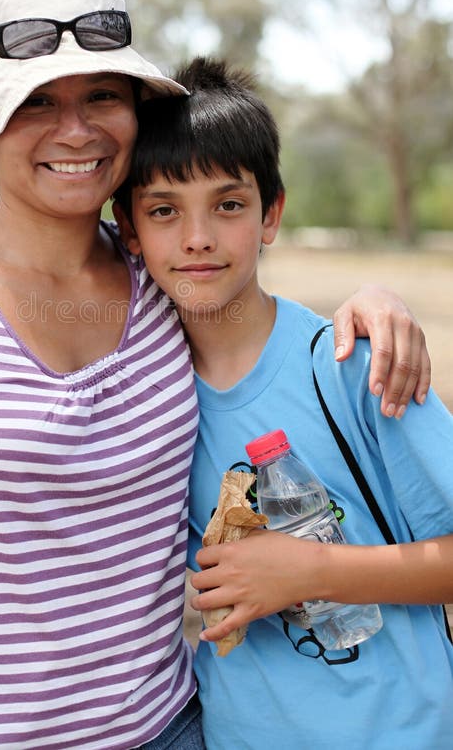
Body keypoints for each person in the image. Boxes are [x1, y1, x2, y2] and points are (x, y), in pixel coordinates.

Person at [0, 0, 432, 750]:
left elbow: (256, 313)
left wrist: (376, 302)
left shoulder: (161, 279)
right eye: (36, 101)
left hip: (170, 729)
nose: (74, 131)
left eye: (102, 96)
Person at [112, 56, 453, 750]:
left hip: (399, 730)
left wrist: (314, 570)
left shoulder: (353, 363)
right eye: (163, 211)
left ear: (270, 214)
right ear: (129, 230)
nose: (198, 236)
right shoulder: (142, 400)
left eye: (228, 205)